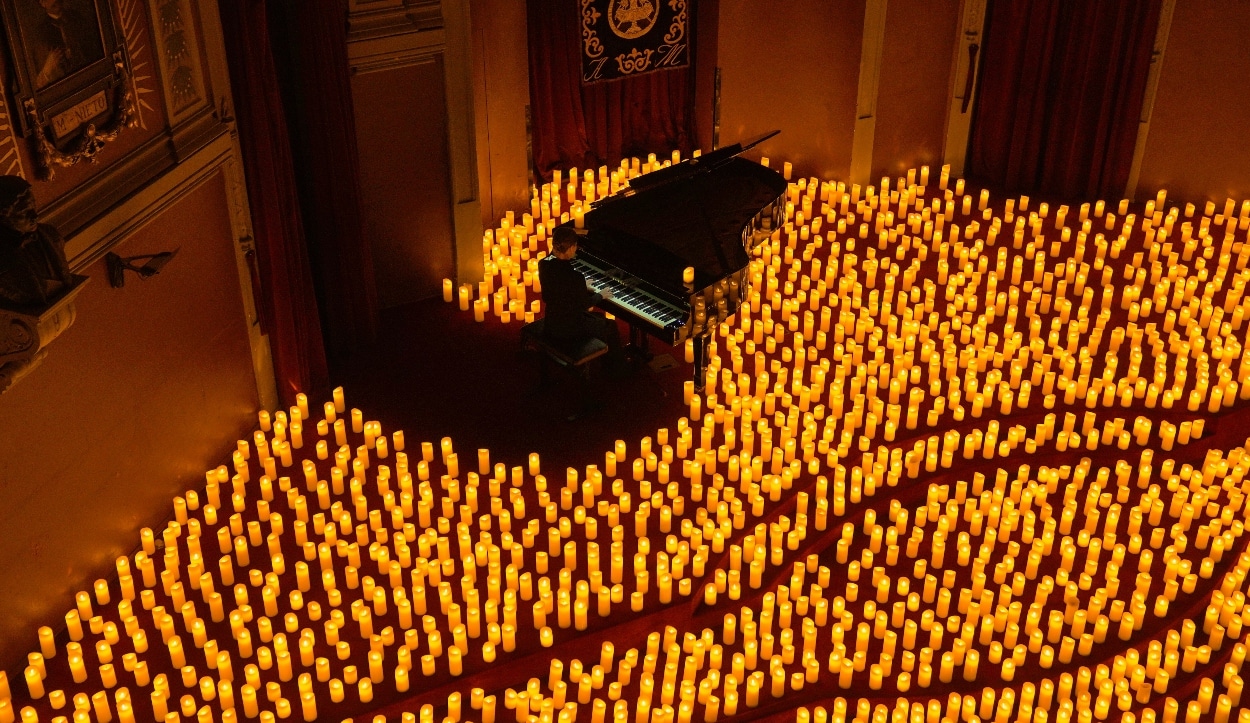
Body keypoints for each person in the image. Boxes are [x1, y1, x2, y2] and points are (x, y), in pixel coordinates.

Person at [538, 225, 626, 369]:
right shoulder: (575, 276)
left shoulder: (543, 264)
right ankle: (618, 369)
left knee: (599, 320)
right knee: (609, 326)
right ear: (572, 247)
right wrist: (600, 295)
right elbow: (584, 304)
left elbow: (558, 288)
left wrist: (581, 287)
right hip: (570, 329)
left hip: (552, 321)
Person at [0, 175, 74, 307]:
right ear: (3, 217)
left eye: (33, 207)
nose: (35, 216)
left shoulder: (51, 235)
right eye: (24, 212)